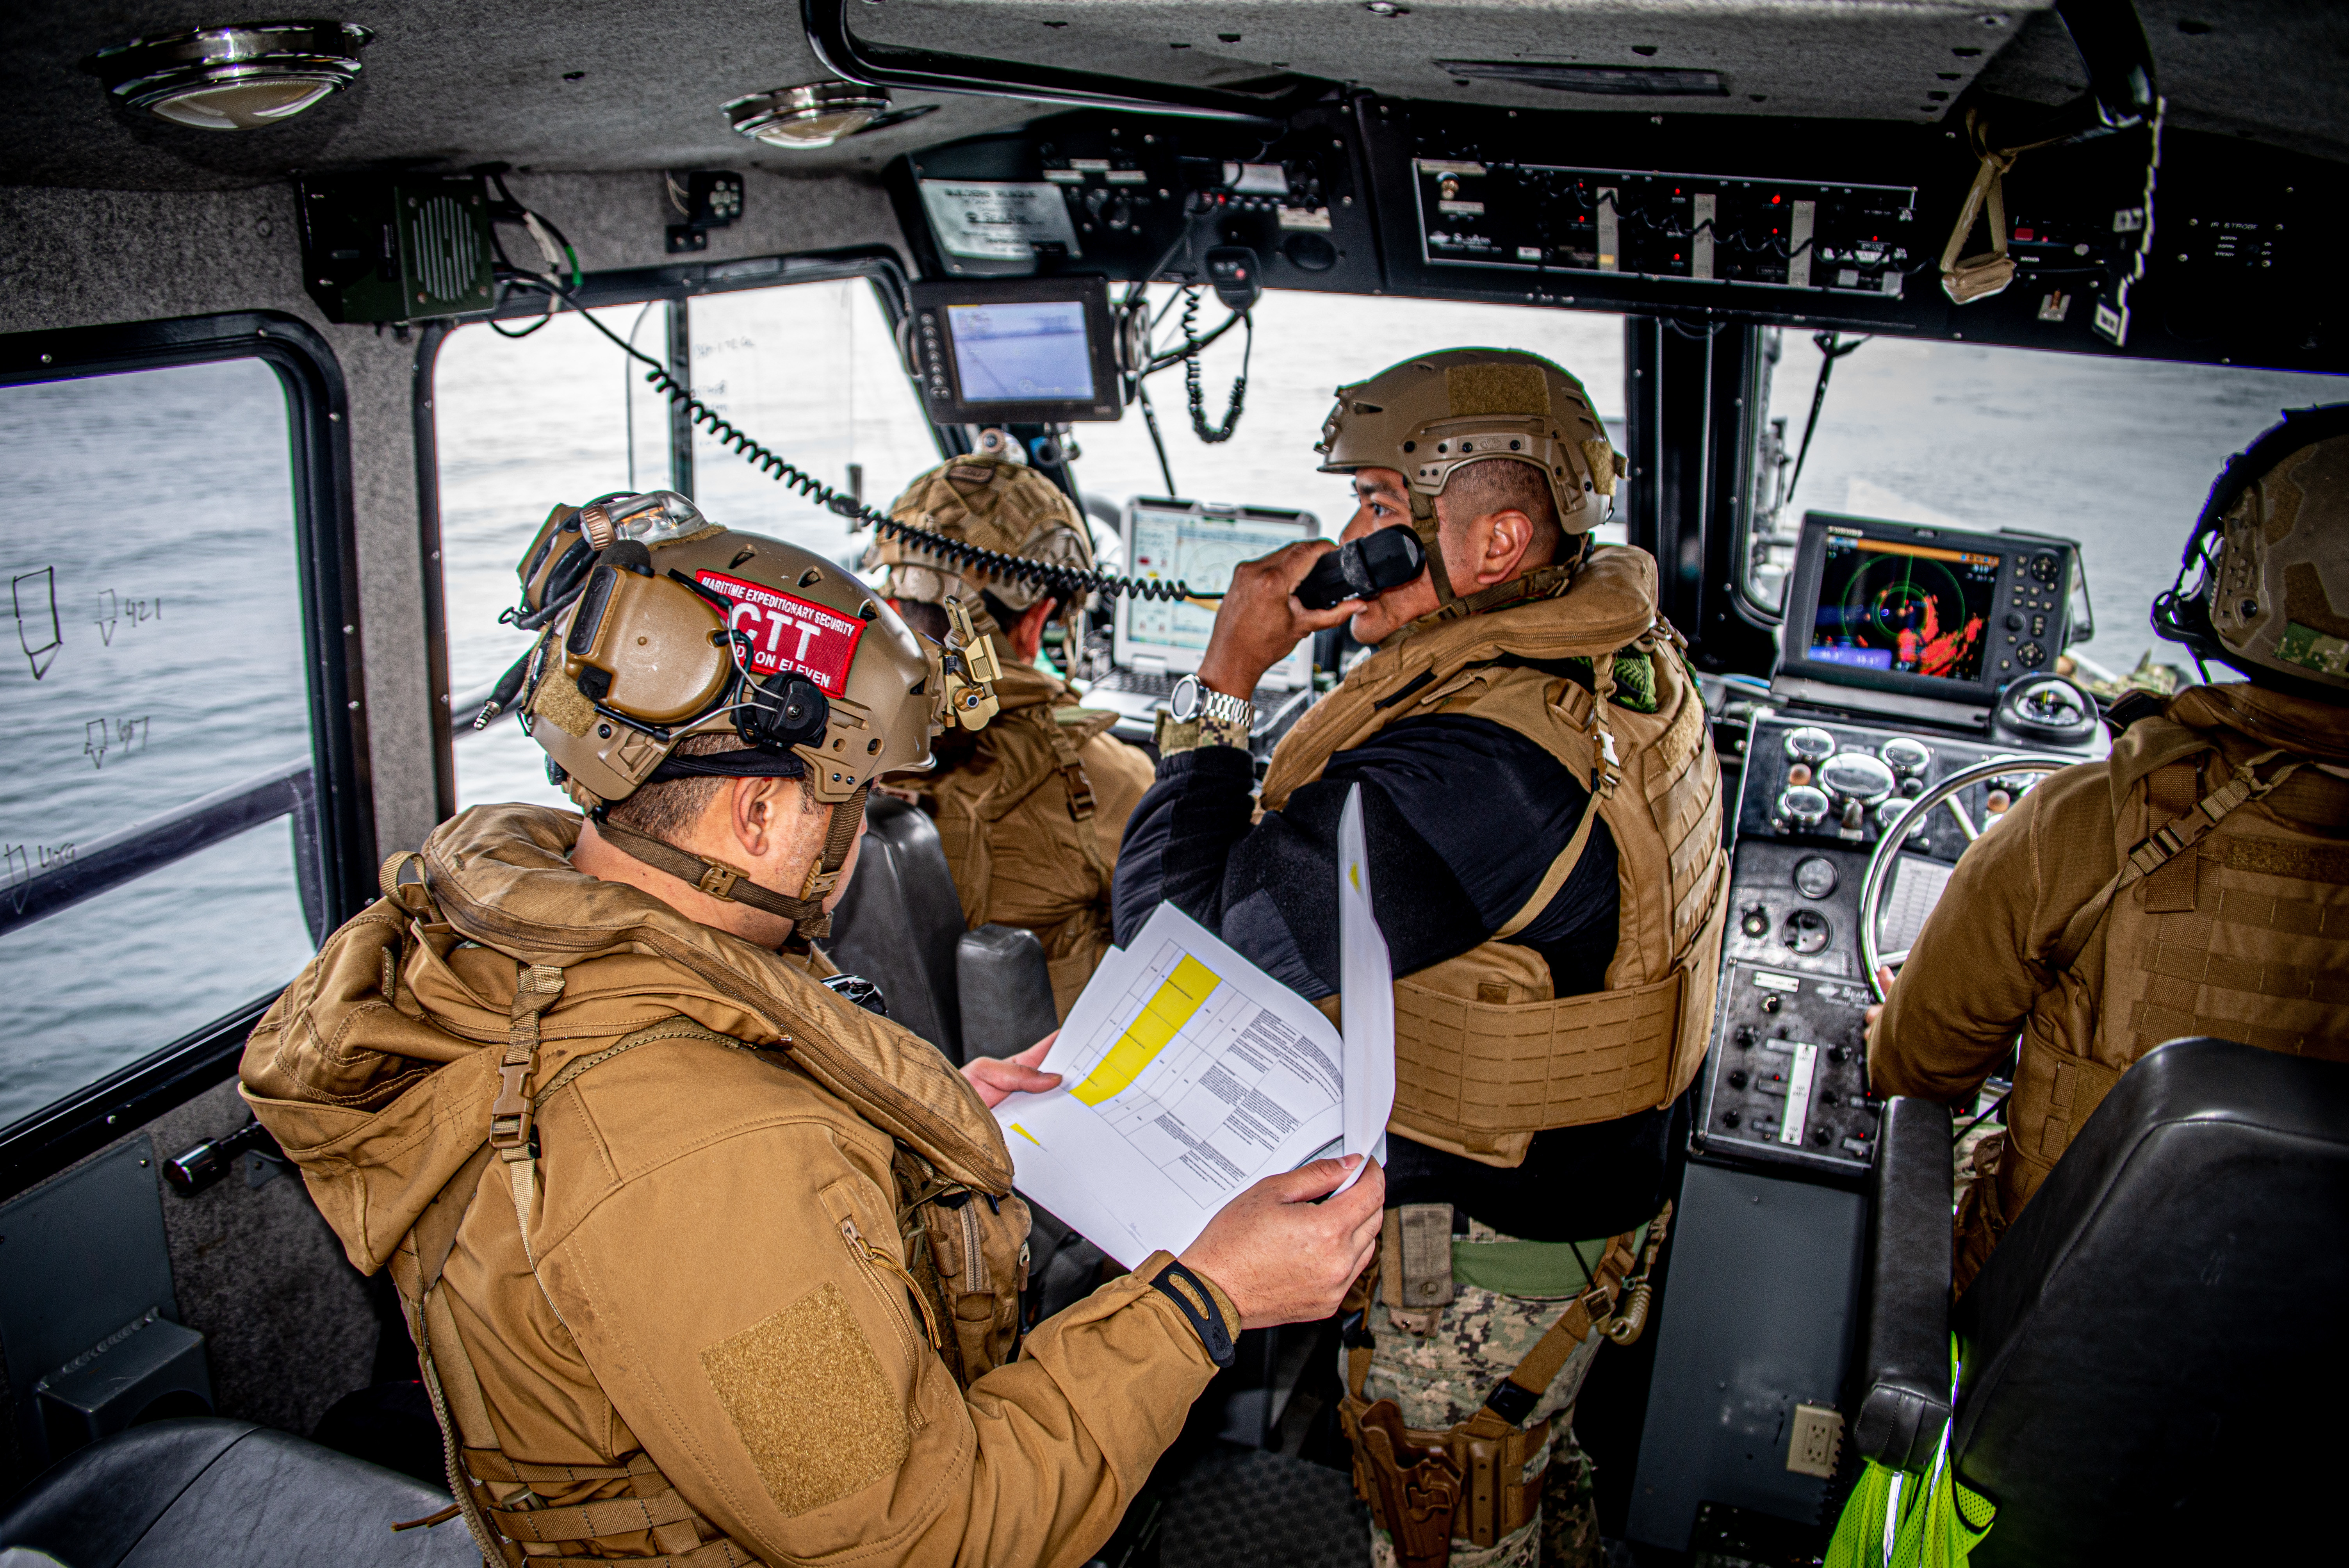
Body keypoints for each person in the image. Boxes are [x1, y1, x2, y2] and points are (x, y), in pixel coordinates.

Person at [242, 506, 1384, 1567]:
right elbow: (929, 1538)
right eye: (858, 799)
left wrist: (923, 1117)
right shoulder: (702, 1157)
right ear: (758, 812)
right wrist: (1207, 1295)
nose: (864, 830)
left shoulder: (519, 928)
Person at [1113, 350, 1729, 1568]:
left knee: (1443, 1514)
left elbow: (1172, 950)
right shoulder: (1618, 654)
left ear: (1496, 542)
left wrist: (1226, 676)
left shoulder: (1470, 770)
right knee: (1531, 1476)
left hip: (1484, 1256)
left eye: (1378, 507)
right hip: (1588, 1207)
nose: (1350, 539)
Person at [1869, 404, 2349, 1295]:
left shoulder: (2091, 820)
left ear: (2232, 580)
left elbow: (1913, 1067)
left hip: (2045, 1320)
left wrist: (1894, 1028)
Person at [863, 449, 1155, 1016]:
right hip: (1046, 1061)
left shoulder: (825, 737)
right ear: (1038, 619)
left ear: (895, 600)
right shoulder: (1095, 773)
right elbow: (1204, 901)